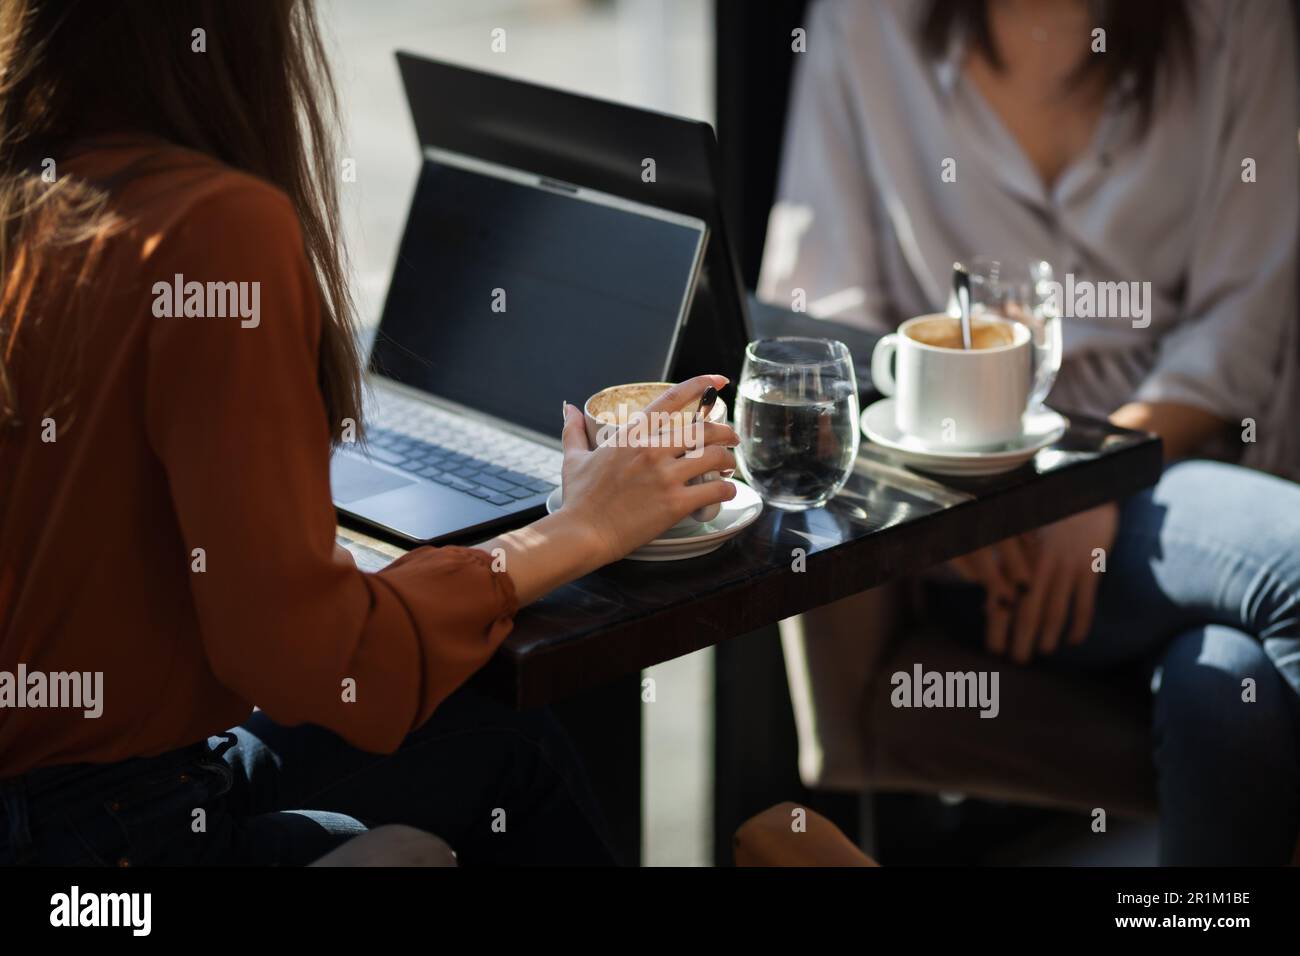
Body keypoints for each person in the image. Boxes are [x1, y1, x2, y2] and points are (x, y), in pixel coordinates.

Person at [0, 0, 738, 866]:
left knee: (510, 740)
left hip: (75, 788)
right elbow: (311, 657)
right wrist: (581, 529)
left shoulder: (36, 189)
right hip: (112, 831)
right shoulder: (204, 227)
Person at [761, 0, 1300, 864]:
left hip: (1177, 471)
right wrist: (953, 507)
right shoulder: (865, 21)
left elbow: (1243, 323)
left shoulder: (1238, 22)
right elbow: (824, 317)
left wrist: (1097, 481)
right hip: (971, 519)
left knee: (1229, 695)